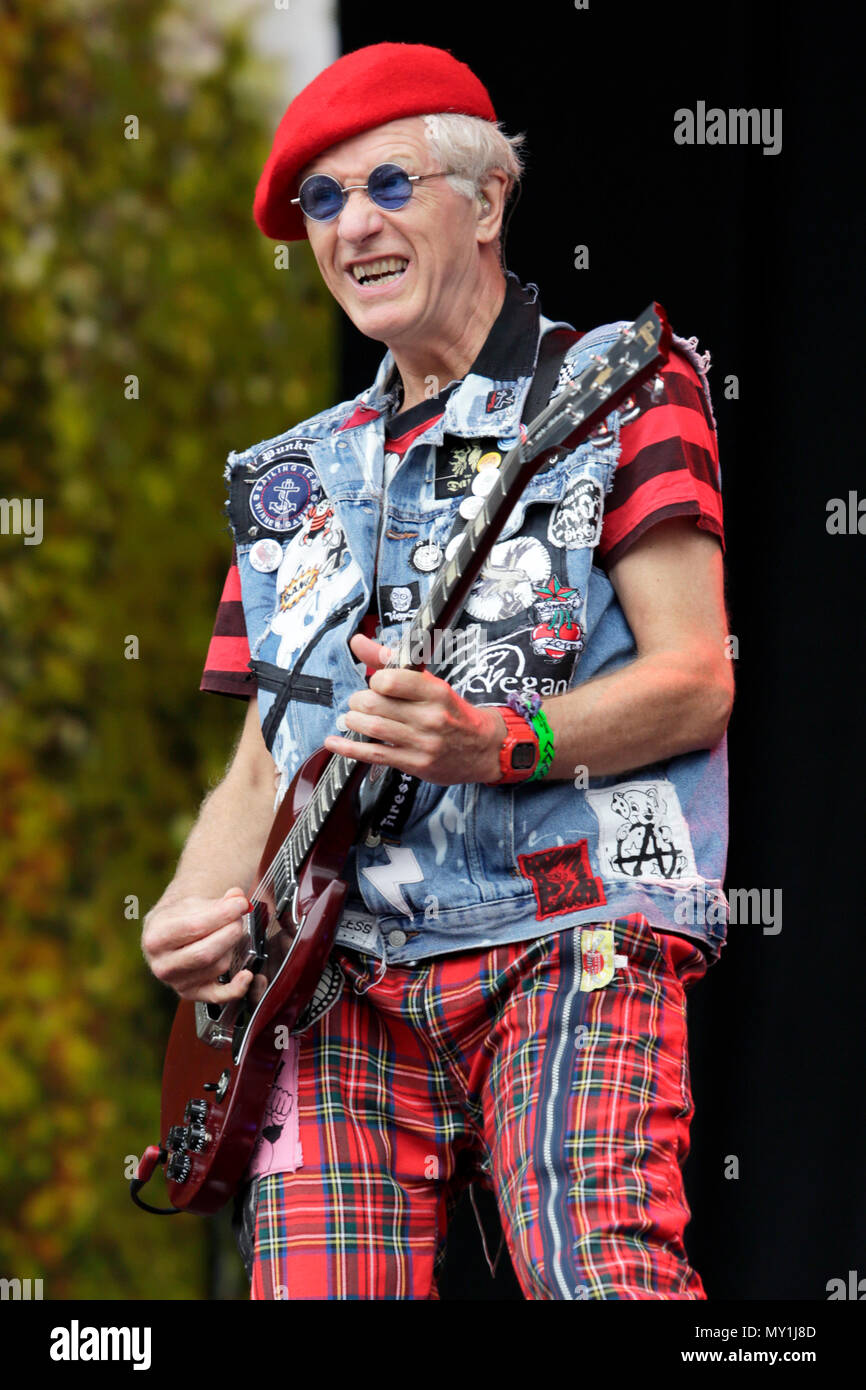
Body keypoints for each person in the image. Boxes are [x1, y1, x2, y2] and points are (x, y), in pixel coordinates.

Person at [142, 41, 733, 1301]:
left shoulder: (619, 392)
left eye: (389, 185)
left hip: (569, 928)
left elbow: (696, 680)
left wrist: (496, 744)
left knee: (602, 1281)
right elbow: (269, 759)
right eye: (321, 201)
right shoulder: (286, 476)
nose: (351, 224)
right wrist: (194, 909)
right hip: (334, 978)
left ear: (488, 199)